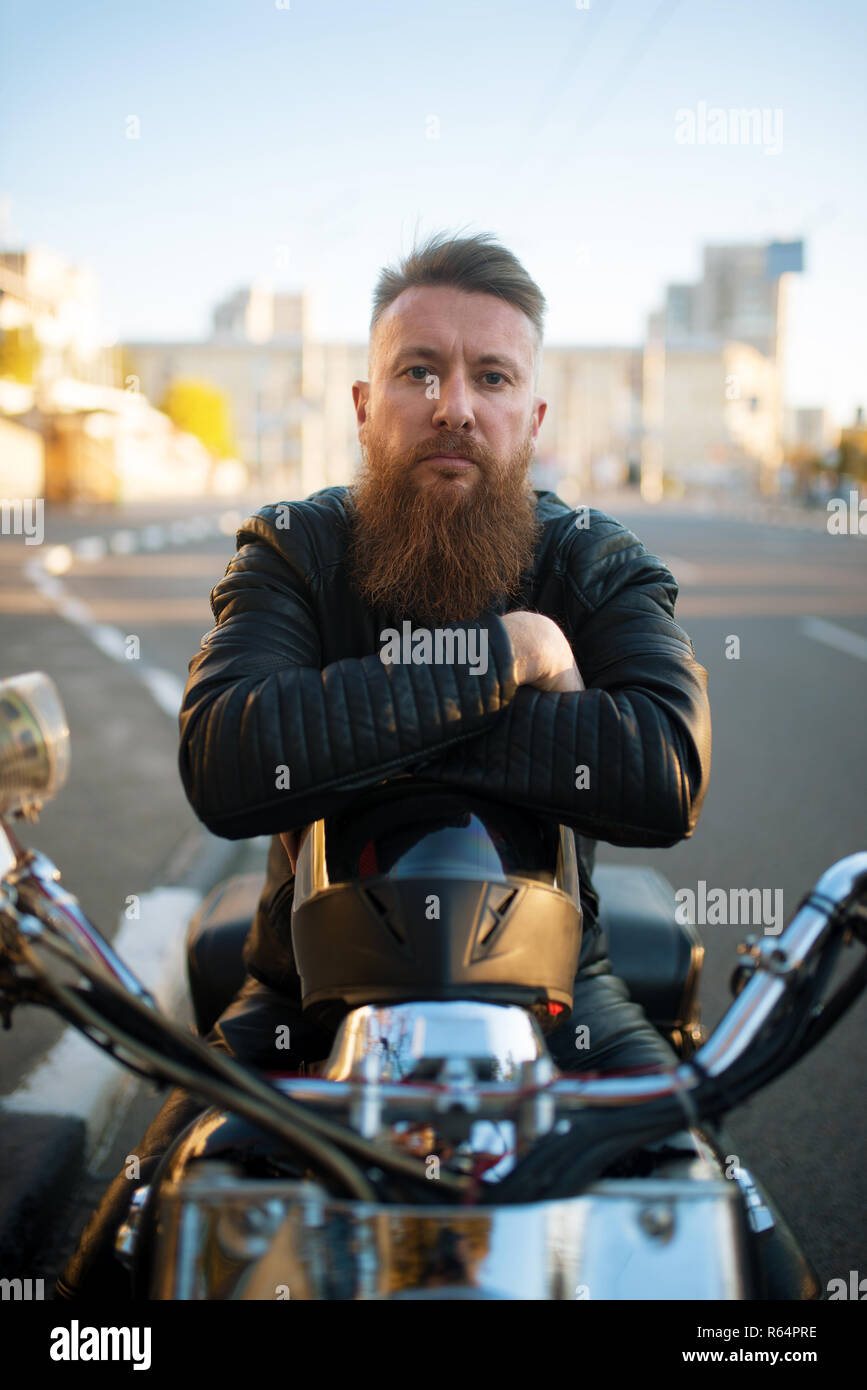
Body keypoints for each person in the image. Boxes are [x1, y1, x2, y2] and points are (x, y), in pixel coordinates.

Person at [56, 229, 711, 1300]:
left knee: (728, 1237)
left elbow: (664, 768)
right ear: (365, 405)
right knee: (129, 1258)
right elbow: (229, 758)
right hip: (301, 988)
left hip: (565, 986)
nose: (456, 403)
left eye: (492, 376)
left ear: (530, 420)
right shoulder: (293, 549)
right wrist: (505, 657)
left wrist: (361, 721)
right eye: (421, 371)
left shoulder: (593, 556)